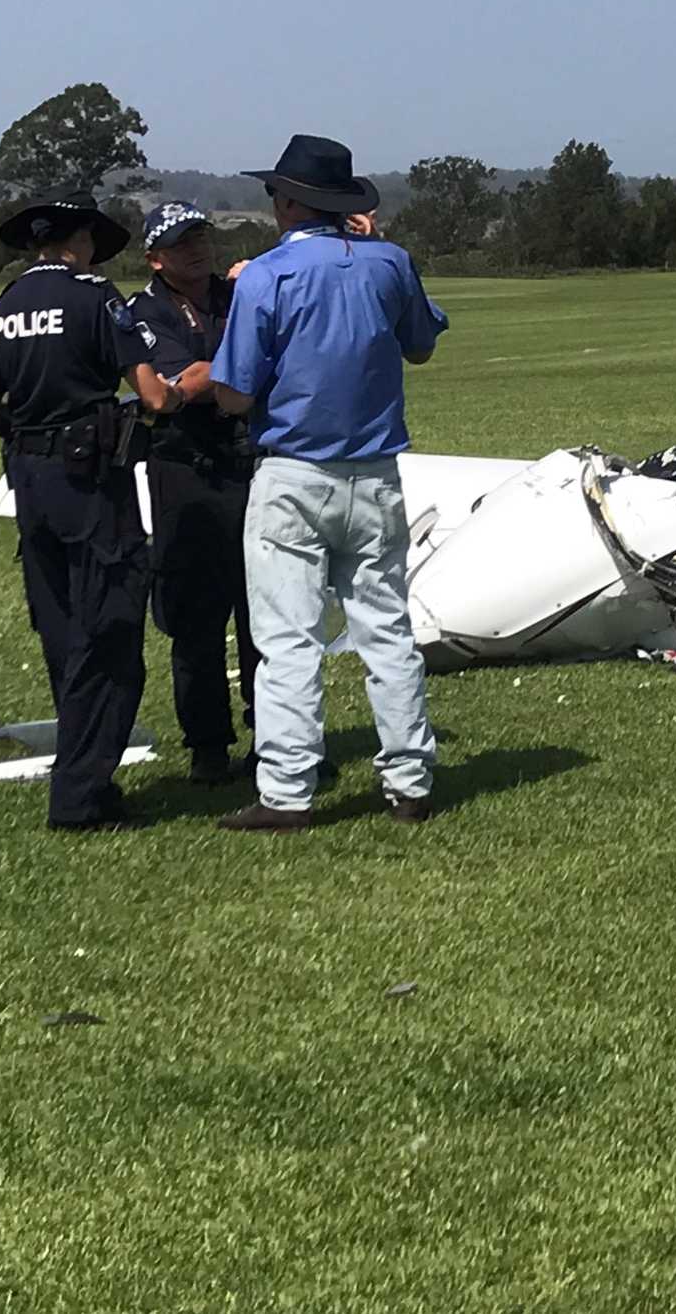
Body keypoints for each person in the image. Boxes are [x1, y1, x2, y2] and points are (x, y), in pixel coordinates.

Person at [209, 135, 450, 832]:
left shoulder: (265, 274)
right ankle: (410, 782)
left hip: (292, 474)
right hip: (375, 474)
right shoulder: (390, 263)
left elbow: (231, 393)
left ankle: (287, 790)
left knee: (287, 641)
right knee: (388, 634)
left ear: (288, 202)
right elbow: (422, 346)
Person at [0, 198, 169, 832]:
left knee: (60, 632)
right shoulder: (96, 296)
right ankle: (79, 793)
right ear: (80, 242)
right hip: (91, 482)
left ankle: (86, 775)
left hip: (30, 483)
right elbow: (154, 395)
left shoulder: (2, 308)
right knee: (109, 630)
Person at [125, 201, 260, 785]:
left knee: (266, 614)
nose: (197, 250)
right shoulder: (142, 312)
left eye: (201, 238)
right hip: (185, 472)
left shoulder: (236, 295)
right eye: (180, 244)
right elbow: (186, 382)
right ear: (155, 258)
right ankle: (208, 746)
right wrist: (248, 347)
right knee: (195, 618)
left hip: (249, 464)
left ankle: (275, 737)